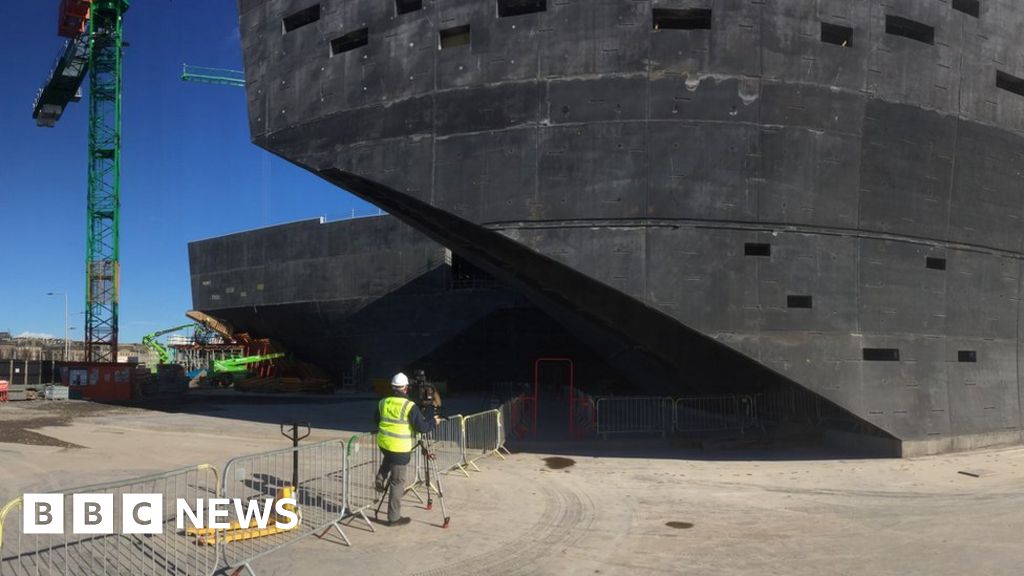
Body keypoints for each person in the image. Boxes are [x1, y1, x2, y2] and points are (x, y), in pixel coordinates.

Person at [374, 372, 437, 526]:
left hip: (384, 444)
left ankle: (380, 478)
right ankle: (394, 518)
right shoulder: (410, 406)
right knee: (397, 482)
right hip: (400, 448)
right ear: (406, 389)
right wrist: (433, 422)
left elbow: (376, 420)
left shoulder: (383, 402)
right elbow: (422, 428)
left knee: (389, 459)